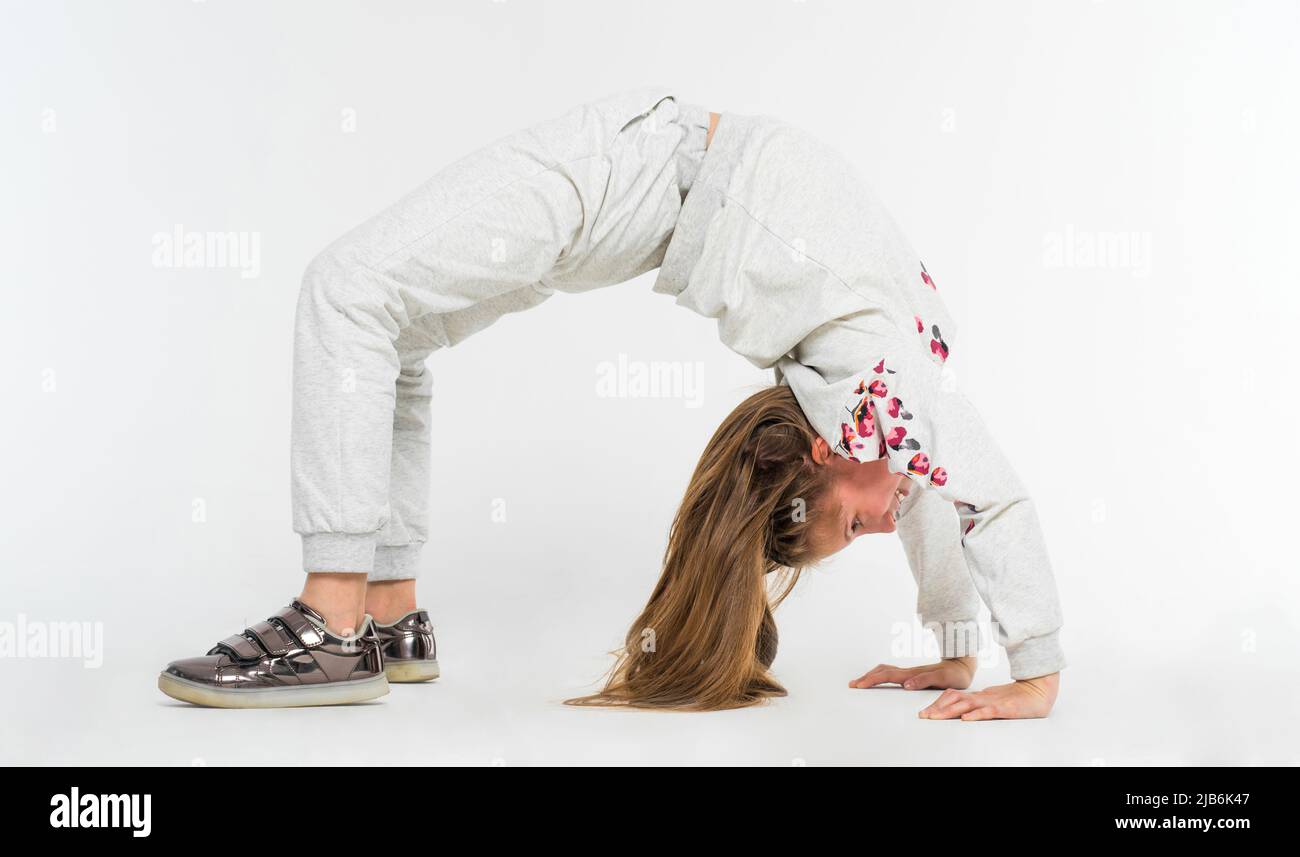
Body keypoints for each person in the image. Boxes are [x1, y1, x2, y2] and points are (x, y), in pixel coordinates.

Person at [158, 88, 1065, 719]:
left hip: (641, 198)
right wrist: (1037, 672)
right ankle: (347, 619)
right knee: (354, 295)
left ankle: (379, 619)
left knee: (372, 311)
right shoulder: (884, 392)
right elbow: (989, 499)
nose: (889, 515)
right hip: (632, 171)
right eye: (860, 525)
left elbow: (938, 497)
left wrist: (956, 651)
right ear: (827, 448)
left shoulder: (882, 408)